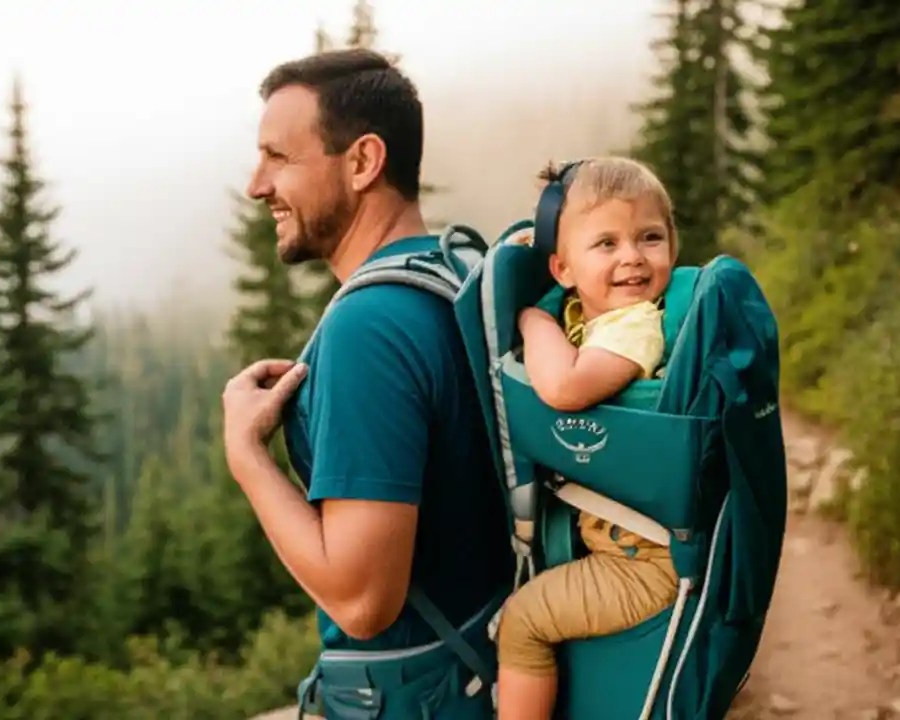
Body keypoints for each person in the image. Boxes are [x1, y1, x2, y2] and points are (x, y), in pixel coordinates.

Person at [219, 48, 513, 718]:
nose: (256, 185)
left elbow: (362, 601)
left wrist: (247, 457)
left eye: (278, 157)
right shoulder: (459, 270)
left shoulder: (368, 330)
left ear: (362, 162)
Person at [494, 157, 682, 720]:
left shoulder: (634, 324)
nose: (632, 257)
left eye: (650, 238)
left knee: (523, 624)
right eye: (606, 244)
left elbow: (566, 386)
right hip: (628, 548)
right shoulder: (592, 315)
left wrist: (532, 320)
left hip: (644, 563)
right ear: (563, 267)